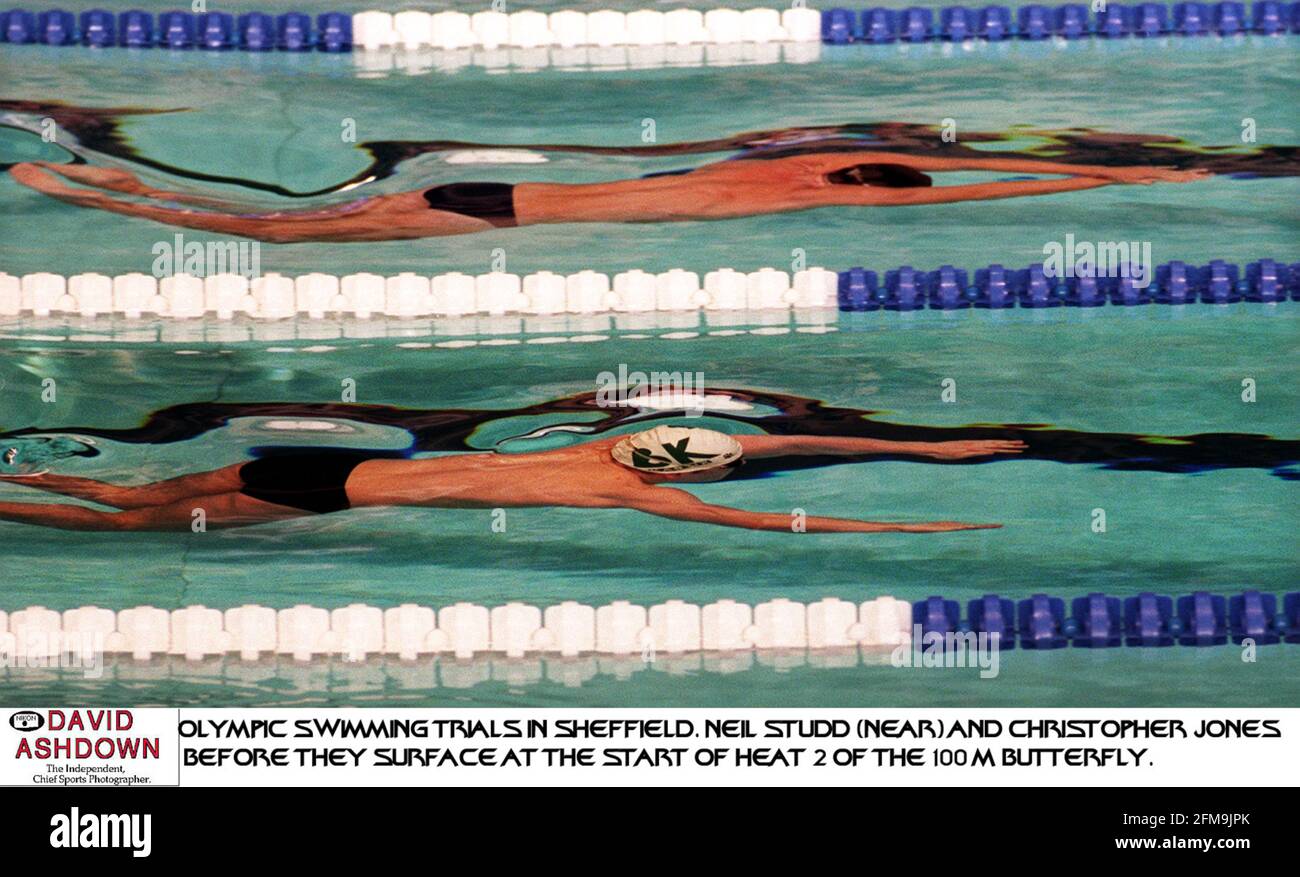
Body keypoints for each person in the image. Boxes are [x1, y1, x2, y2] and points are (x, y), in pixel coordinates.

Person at [0, 426, 1026, 533]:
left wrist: (925, 507)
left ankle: (25, 484)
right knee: (144, 508)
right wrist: (930, 458)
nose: (658, 446)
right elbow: (780, 475)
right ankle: (25, 485)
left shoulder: (630, 474)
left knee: (144, 507)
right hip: (345, 478)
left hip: (341, 478)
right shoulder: (633, 467)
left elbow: (775, 495)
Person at [8, 152, 1207, 243]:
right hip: (497, 214)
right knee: (264, 235)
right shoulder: (795, 206)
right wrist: (1133, 176)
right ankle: (85, 189)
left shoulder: (801, 164)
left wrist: (1139, 163)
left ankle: (90, 171)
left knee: (274, 216)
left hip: (495, 188)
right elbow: (978, 194)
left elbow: (974, 167)